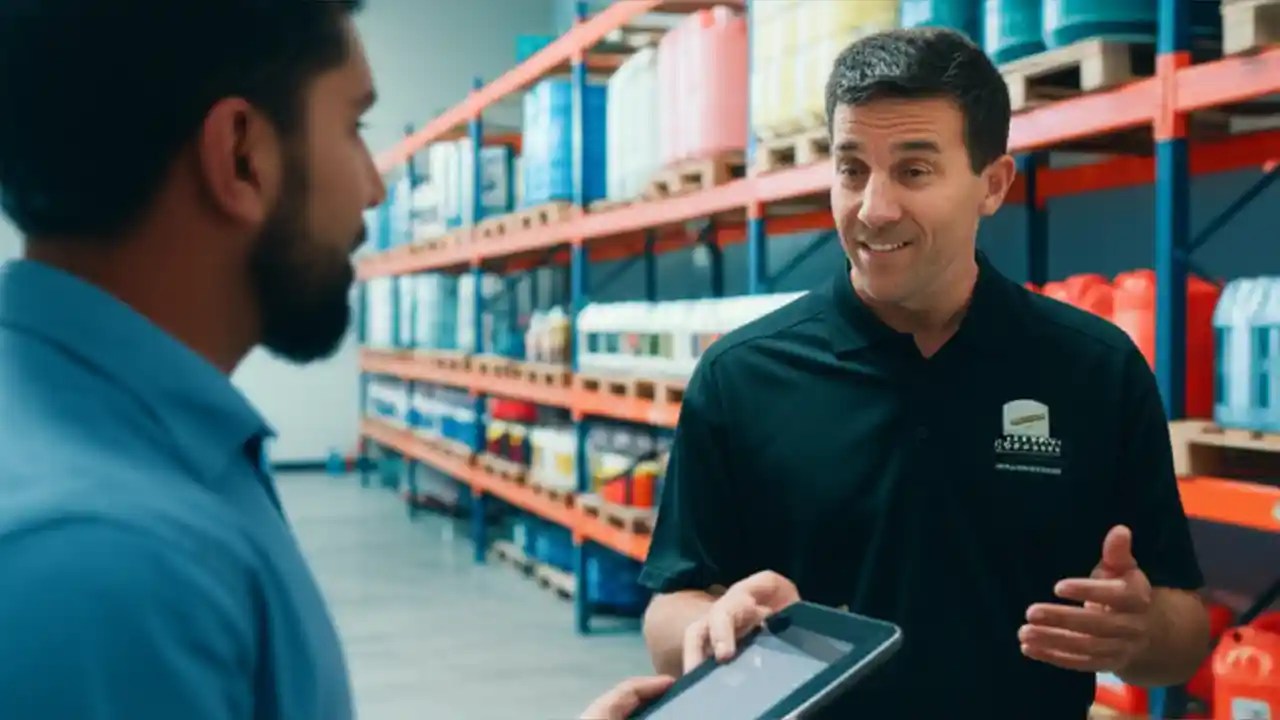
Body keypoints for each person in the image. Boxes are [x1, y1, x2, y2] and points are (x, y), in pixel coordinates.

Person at [0, 2, 670, 719]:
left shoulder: (131, 454)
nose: (374, 189)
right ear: (242, 157)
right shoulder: (104, 570)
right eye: (354, 128)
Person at [638, 26, 1212, 720]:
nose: (874, 208)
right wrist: (712, 625)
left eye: (914, 171)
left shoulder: (1095, 369)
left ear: (993, 184)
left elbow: (1184, 631)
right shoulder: (742, 376)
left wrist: (1142, 631)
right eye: (852, 169)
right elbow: (670, 609)